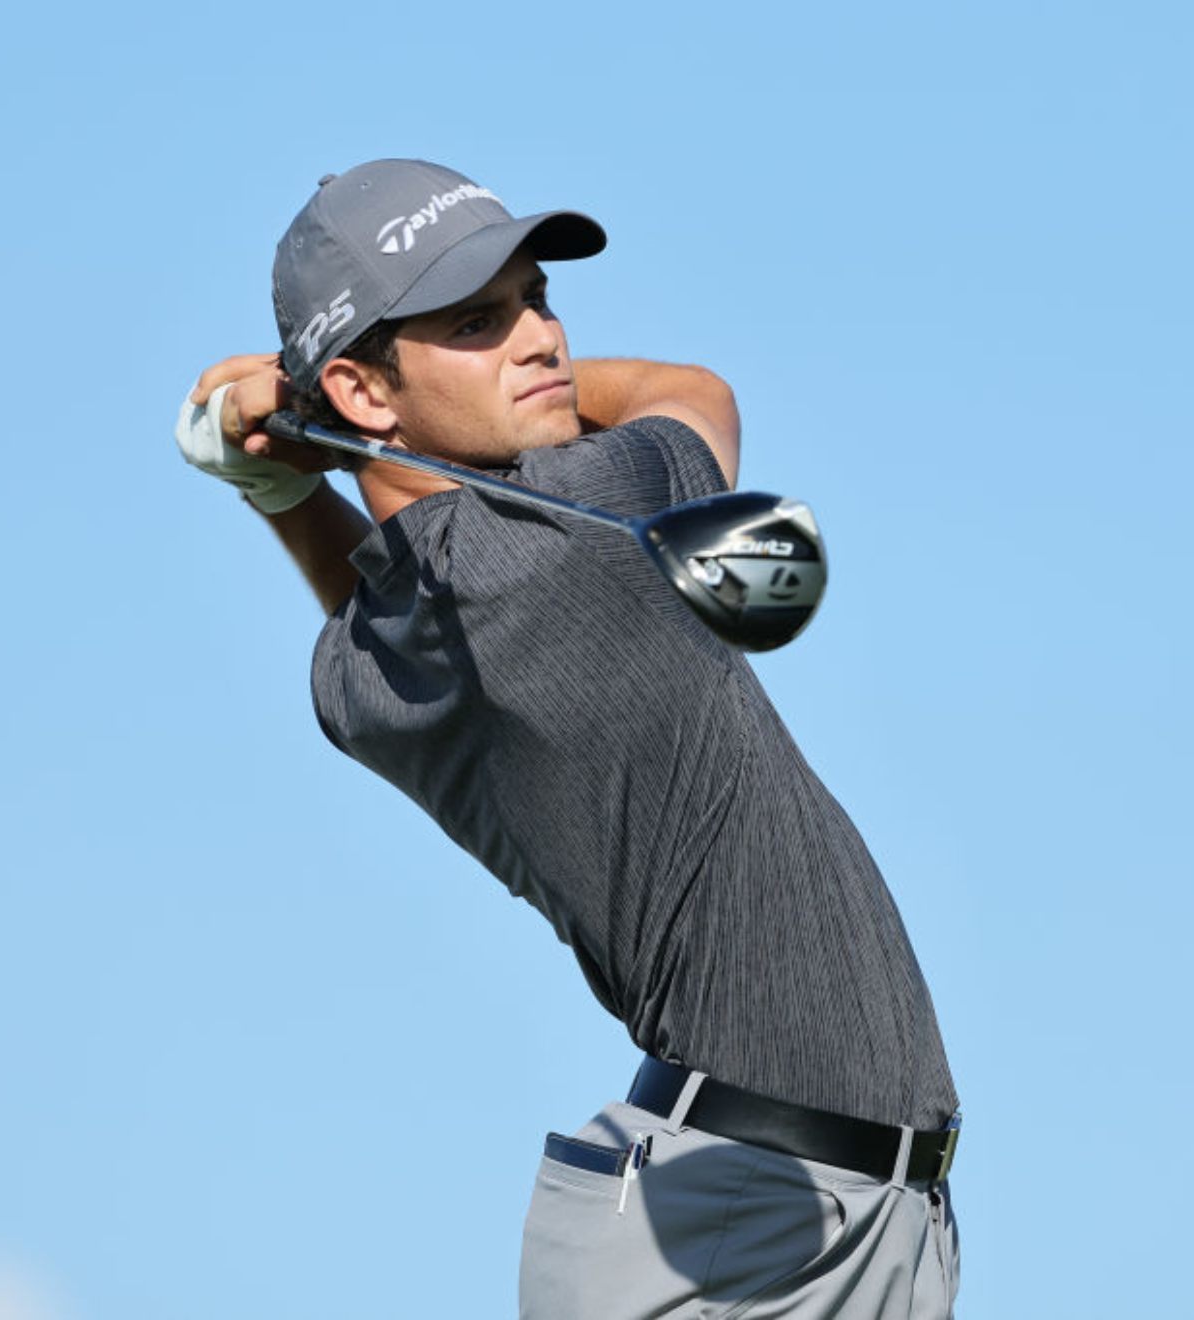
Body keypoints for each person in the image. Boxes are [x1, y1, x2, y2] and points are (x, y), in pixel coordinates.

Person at [174, 159, 962, 1318]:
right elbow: (696, 394)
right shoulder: (584, 535)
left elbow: (389, 588)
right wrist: (301, 458)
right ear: (362, 386)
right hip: (748, 1229)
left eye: (539, 301)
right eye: (479, 322)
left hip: (774, 1211)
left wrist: (285, 478)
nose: (541, 339)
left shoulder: (355, 679)